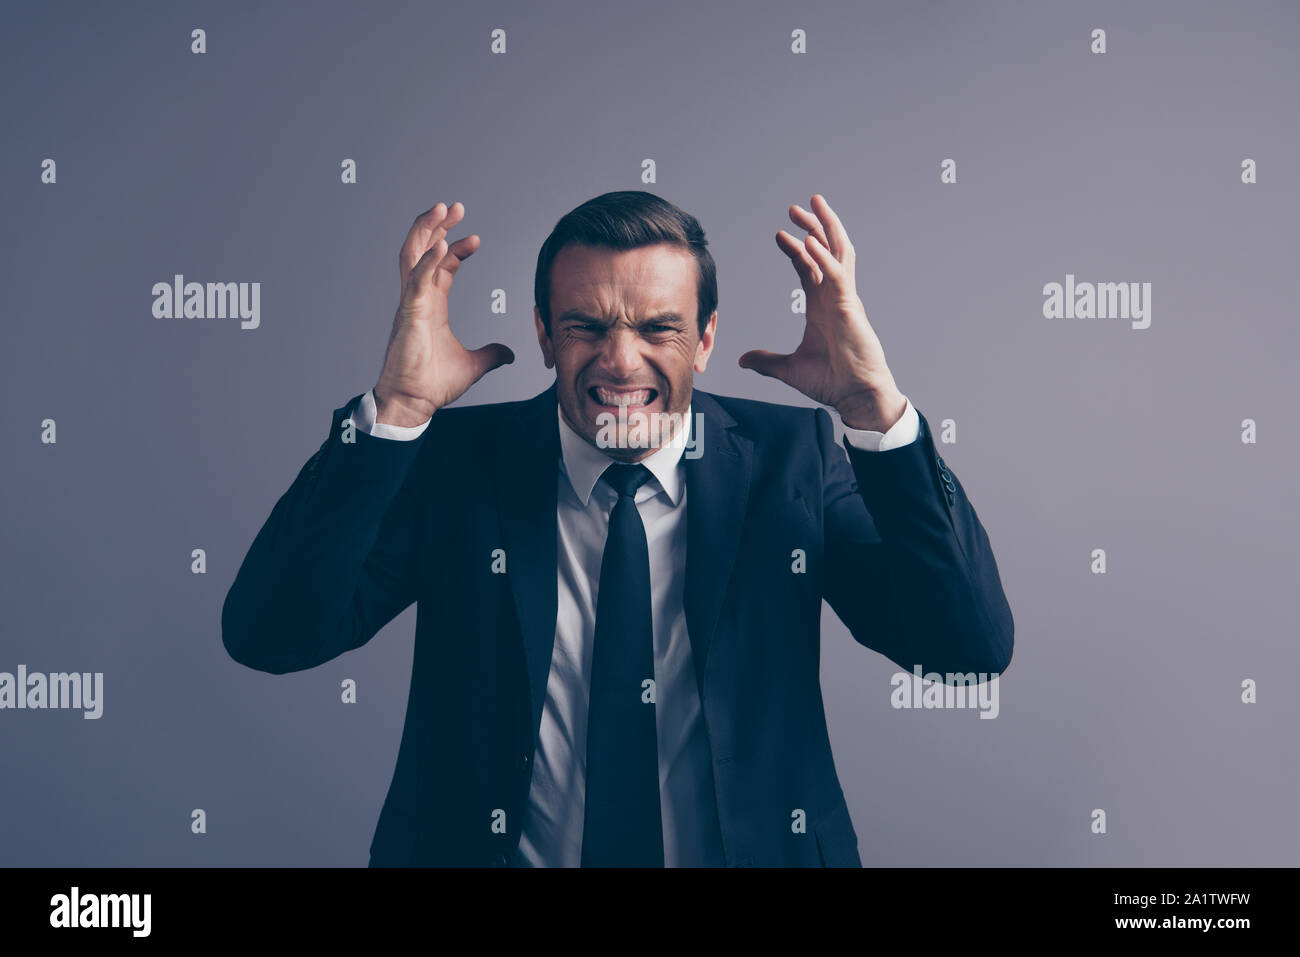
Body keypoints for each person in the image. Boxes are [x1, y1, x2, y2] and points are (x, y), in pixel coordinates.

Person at [221, 190, 1014, 867]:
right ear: (543, 334)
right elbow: (272, 633)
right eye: (586, 326)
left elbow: (966, 646)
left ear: (704, 339)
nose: (620, 361)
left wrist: (876, 413)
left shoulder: (790, 462)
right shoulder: (458, 466)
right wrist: (393, 411)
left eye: (658, 328)